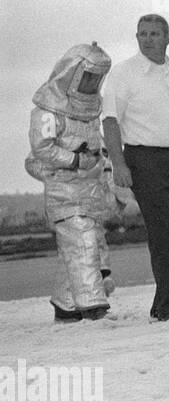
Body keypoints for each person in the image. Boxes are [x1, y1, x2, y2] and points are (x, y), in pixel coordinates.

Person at [102, 14, 169, 320]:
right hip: (145, 161)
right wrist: (118, 163)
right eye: (142, 34)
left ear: (167, 37)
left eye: (154, 34)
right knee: (164, 234)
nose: (147, 39)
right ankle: (167, 308)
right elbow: (110, 121)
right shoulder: (124, 73)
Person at [24, 43, 115, 322]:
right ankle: (93, 306)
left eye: (96, 78)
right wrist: (75, 160)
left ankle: (65, 304)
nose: (92, 83)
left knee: (80, 249)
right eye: (88, 76)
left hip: (90, 190)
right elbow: (41, 148)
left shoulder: (91, 109)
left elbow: (96, 148)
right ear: (71, 73)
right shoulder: (48, 110)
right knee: (83, 244)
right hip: (64, 192)